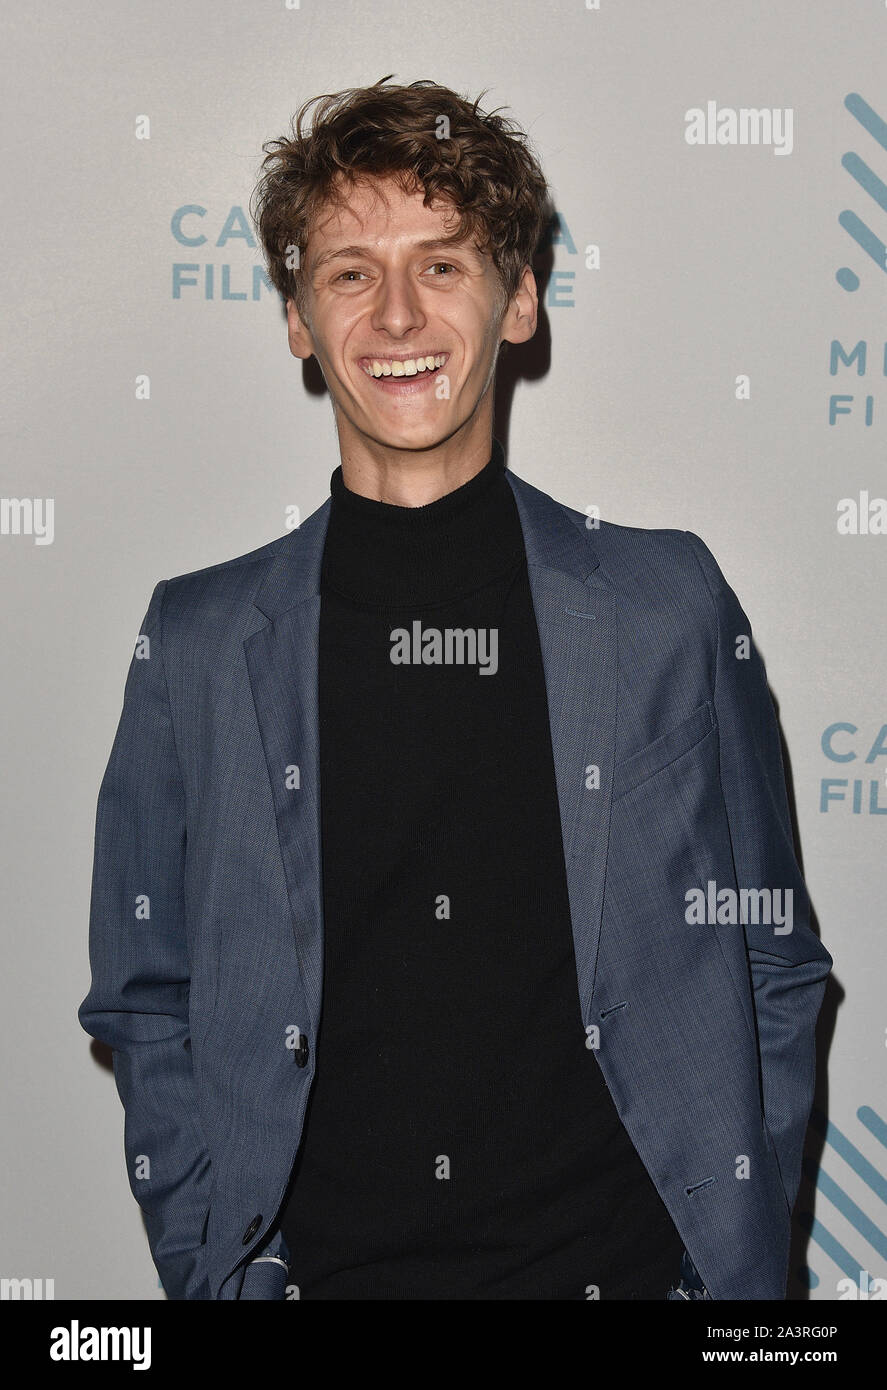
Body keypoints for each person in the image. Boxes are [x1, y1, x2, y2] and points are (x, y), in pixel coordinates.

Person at [79, 76, 832, 1300]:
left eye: (440, 264)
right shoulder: (201, 642)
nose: (394, 313)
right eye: (347, 272)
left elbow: (771, 959)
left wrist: (731, 1279)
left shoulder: (664, 606)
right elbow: (146, 994)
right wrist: (210, 1269)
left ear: (519, 298)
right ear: (295, 319)